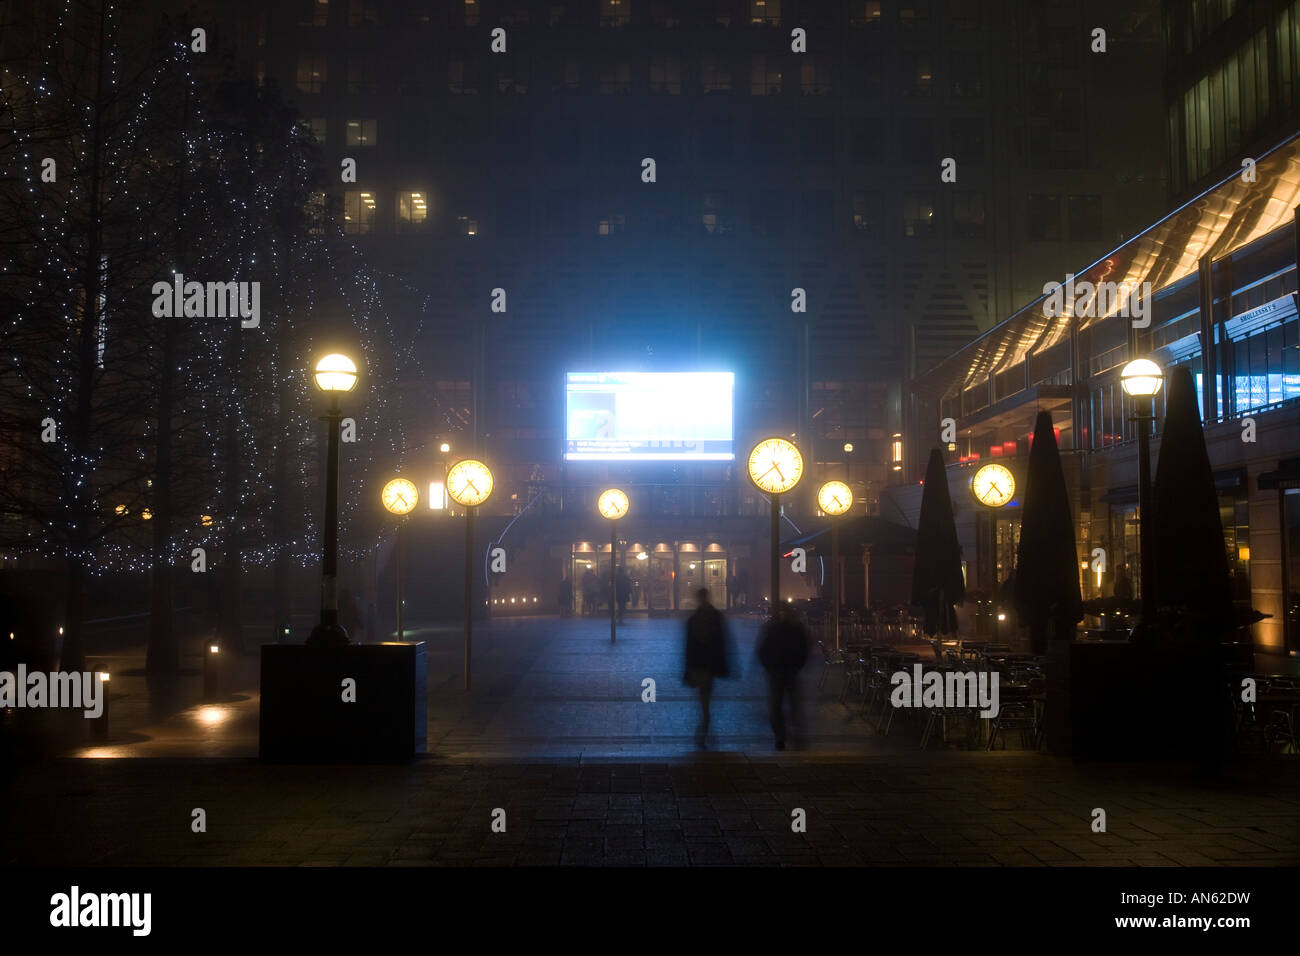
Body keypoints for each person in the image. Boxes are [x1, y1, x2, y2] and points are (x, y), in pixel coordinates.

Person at [757, 602, 809, 750]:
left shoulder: (771, 628)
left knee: (777, 706)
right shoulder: (796, 629)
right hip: (789, 671)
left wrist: (769, 667)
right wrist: (797, 666)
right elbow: (804, 649)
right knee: (793, 704)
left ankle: (780, 736)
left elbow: (762, 650)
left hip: (777, 671)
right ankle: (794, 733)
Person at [683, 588, 730, 749]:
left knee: (704, 701)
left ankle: (704, 729)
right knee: (705, 700)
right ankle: (705, 728)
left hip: (700, 665)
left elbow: (689, 647)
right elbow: (722, 643)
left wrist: (688, 668)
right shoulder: (715, 617)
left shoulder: (694, 619)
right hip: (708, 665)